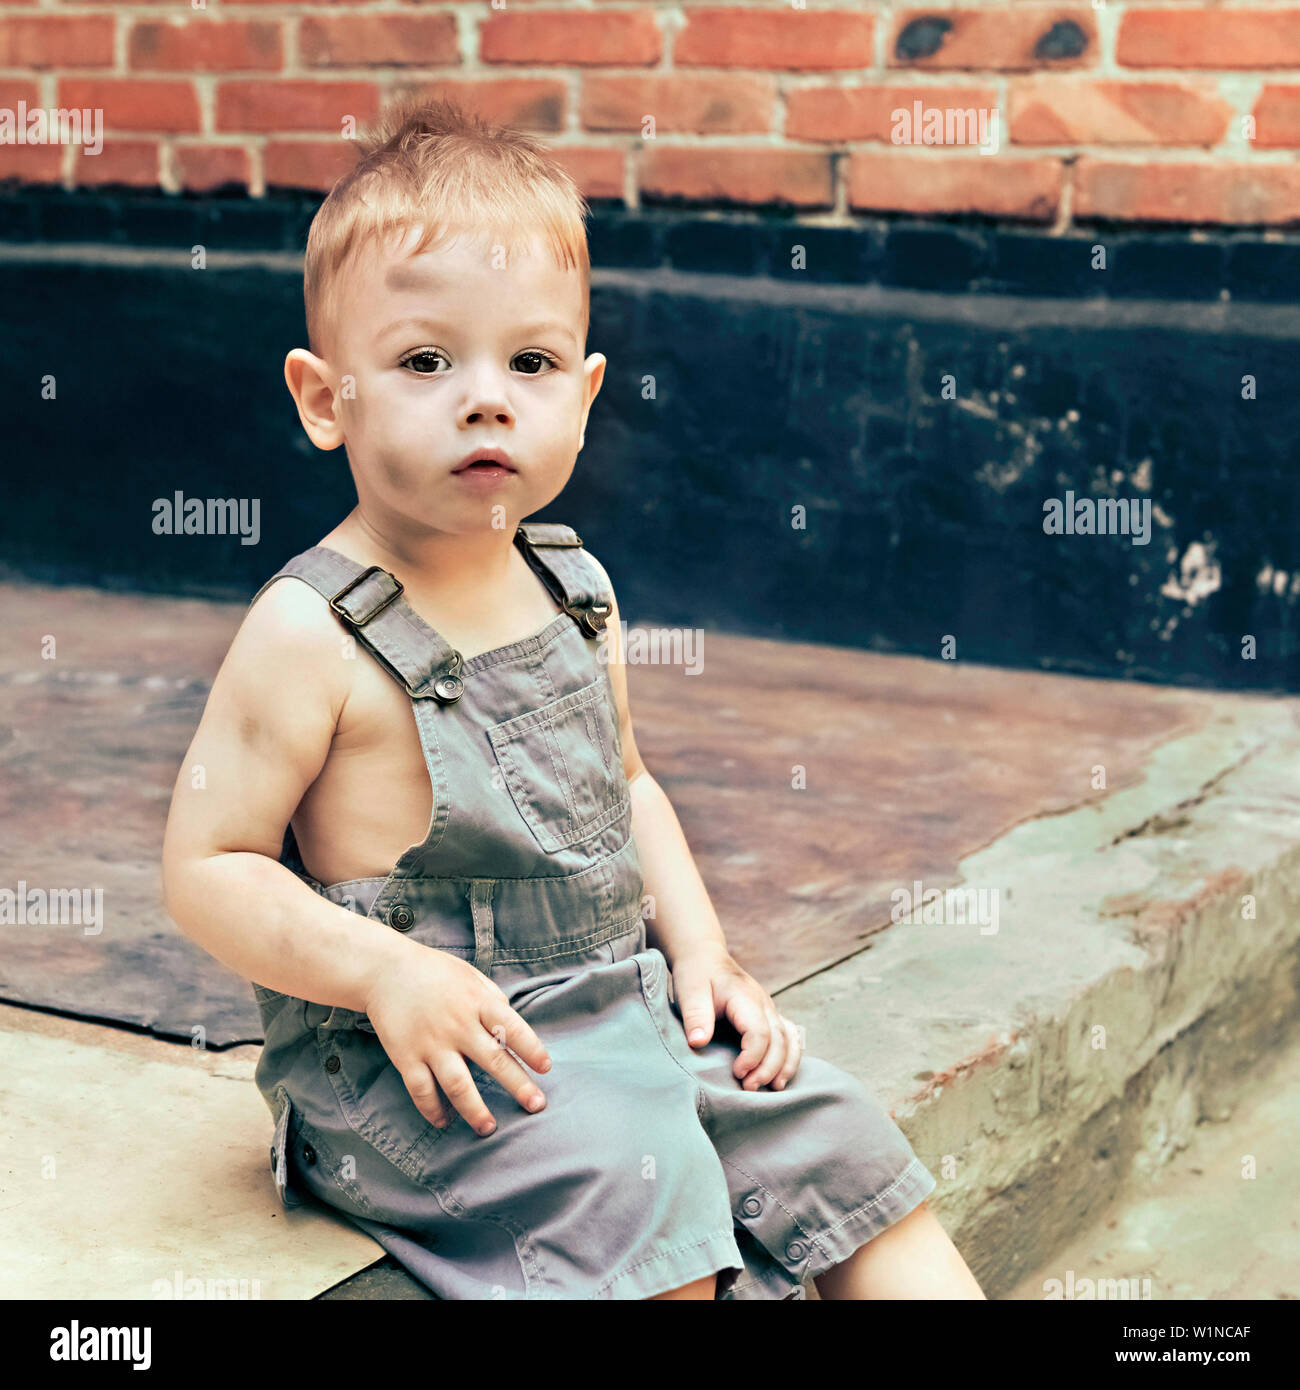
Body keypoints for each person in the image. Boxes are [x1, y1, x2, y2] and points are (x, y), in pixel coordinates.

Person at [161, 94, 984, 1301]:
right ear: (324, 397)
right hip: (407, 1060)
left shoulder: (576, 588)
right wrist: (383, 973)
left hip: (615, 994)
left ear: (587, 393)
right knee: (639, 1189)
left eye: (530, 361)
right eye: (426, 360)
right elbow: (208, 866)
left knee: (836, 1140)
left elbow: (629, 787)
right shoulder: (310, 628)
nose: (486, 397)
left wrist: (701, 953)